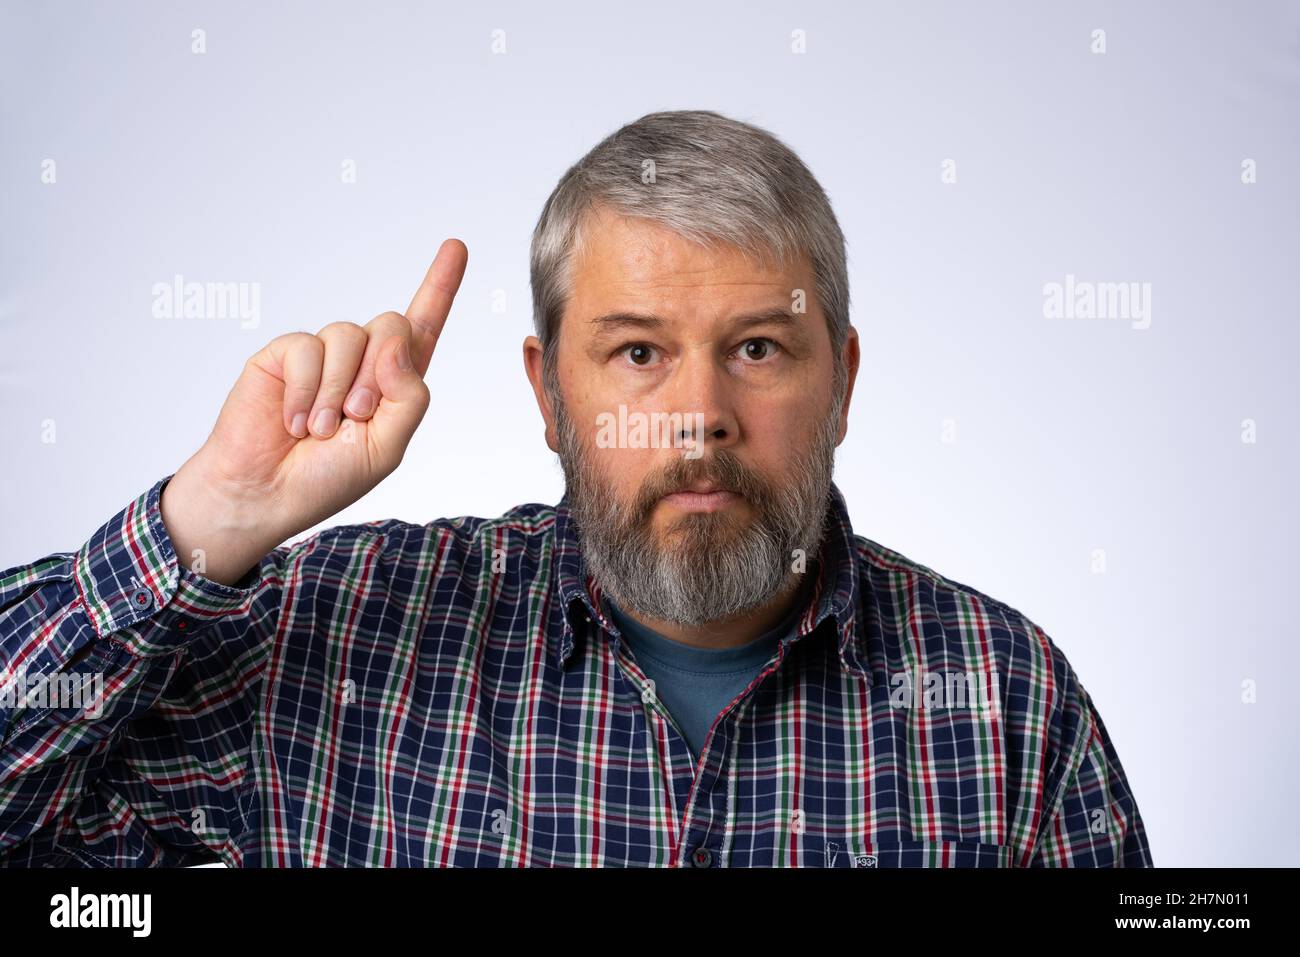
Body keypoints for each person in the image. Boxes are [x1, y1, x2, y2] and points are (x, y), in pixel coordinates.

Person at [0, 110, 1151, 868]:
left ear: (839, 383)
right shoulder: (344, 641)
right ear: (549, 395)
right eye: (638, 352)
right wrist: (206, 526)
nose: (698, 415)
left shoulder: (1005, 706)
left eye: (756, 347)